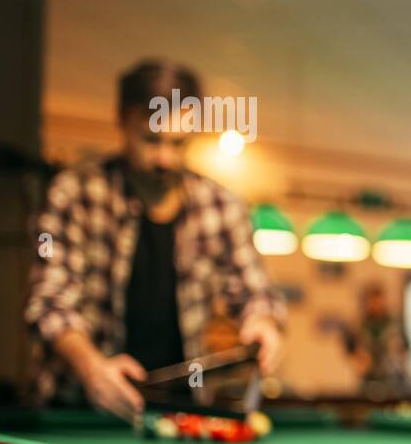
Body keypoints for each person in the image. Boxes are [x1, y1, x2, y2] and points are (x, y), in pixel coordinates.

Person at [25, 60, 285, 419]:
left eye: (178, 143)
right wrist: (91, 366)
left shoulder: (222, 206)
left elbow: (256, 295)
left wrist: (263, 323)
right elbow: (48, 303)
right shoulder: (73, 194)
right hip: (77, 410)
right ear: (122, 120)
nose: (164, 158)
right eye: (151, 139)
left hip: (180, 413)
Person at [343, 283, 411, 397]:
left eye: (378, 300)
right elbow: (349, 347)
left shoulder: (395, 324)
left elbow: (407, 347)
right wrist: (359, 361)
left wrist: (400, 361)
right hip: (368, 376)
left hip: (391, 375)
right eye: (372, 301)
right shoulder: (360, 325)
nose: (376, 304)